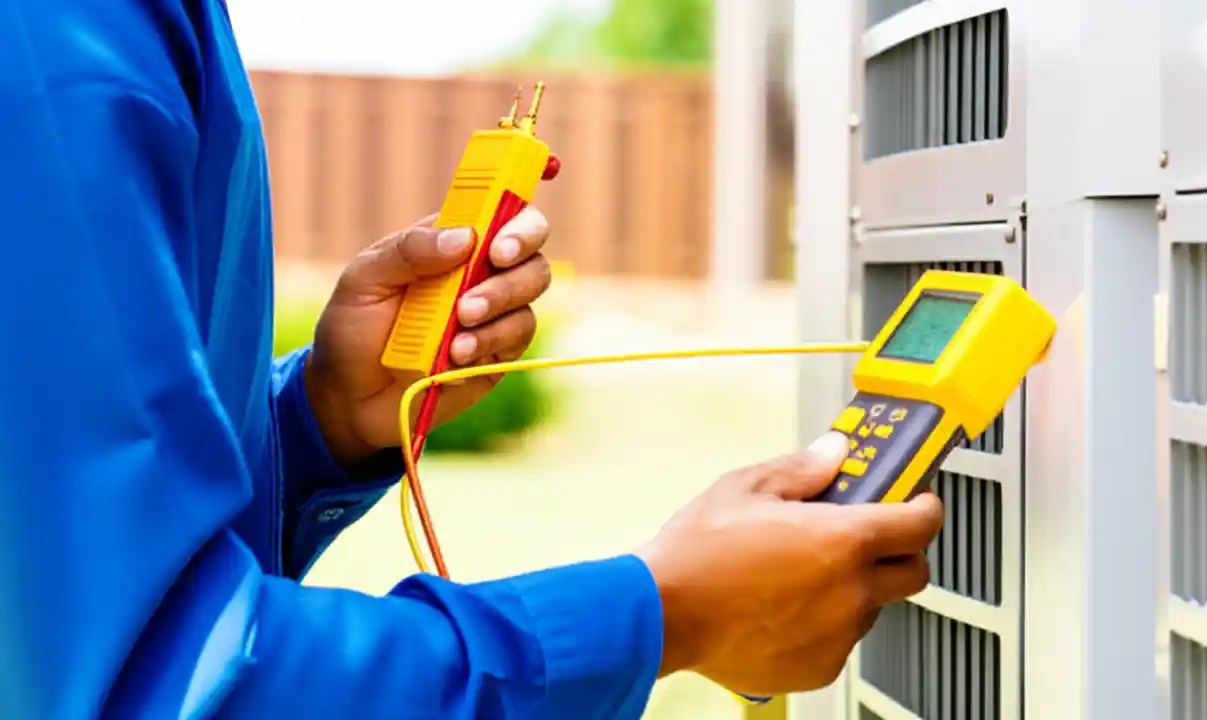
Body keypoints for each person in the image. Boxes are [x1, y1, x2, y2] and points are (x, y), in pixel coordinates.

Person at [0, 1, 944, 718]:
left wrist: (323, 419)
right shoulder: (63, 39)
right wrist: (668, 612)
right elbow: (149, 682)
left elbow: (61, 535)